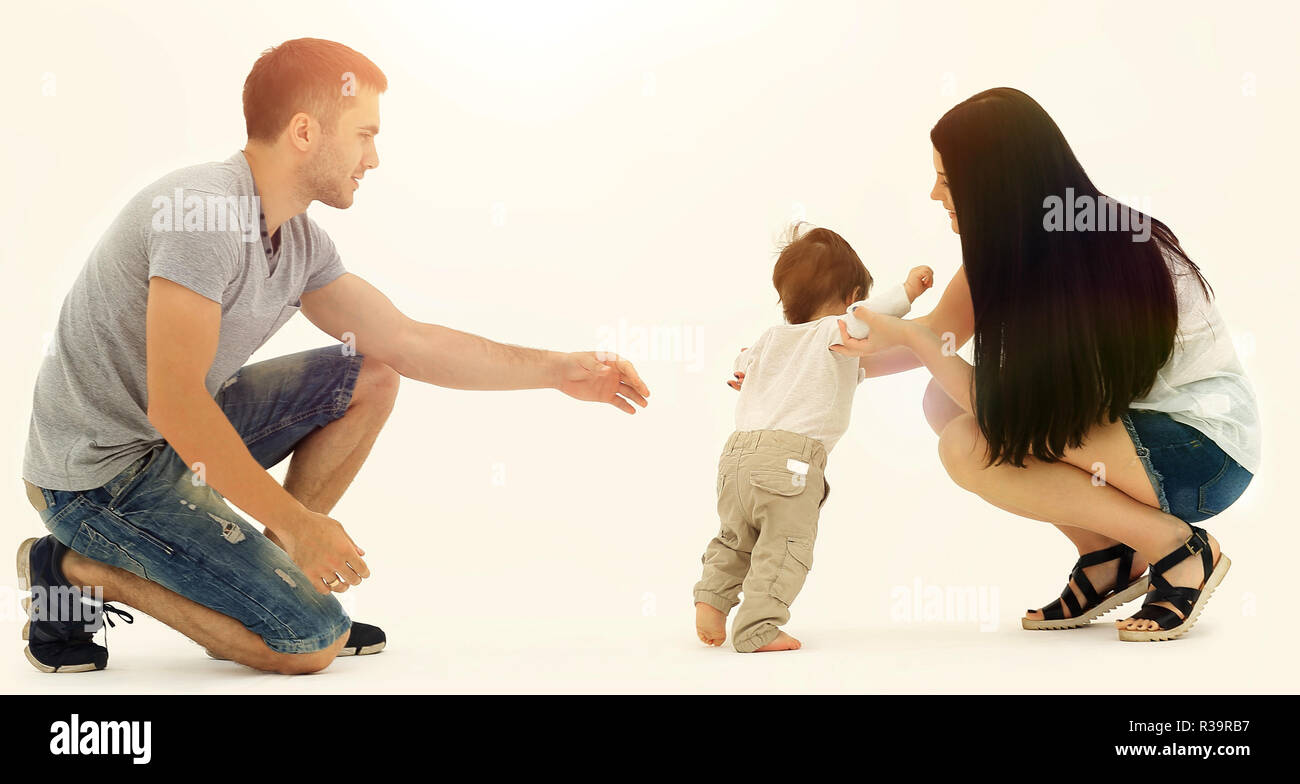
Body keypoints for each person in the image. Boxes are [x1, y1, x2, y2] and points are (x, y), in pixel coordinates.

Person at [18, 38, 650, 674]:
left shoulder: (299, 243)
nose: (373, 158)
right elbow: (177, 403)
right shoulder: (204, 214)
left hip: (171, 441)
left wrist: (559, 370)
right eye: (364, 135)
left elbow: (409, 342)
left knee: (370, 376)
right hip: (96, 477)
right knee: (309, 645)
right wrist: (297, 520)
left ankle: (280, 581)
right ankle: (71, 566)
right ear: (304, 131)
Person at [825, 88, 1259, 642]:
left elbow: (1021, 413)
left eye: (949, 180)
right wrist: (812, 366)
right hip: (1125, 444)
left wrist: (924, 344)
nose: (935, 193)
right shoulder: (1008, 249)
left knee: (967, 437)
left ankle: (1178, 549)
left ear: (995, 183)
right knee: (944, 400)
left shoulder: (1103, 253)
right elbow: (934, 336)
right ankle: (1108, 556)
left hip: (1201, 456)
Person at [695, 223, 932, 652]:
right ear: (852, 297)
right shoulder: (837, 330)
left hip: (735, 458)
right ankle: (756, 628)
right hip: (789, 463)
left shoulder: (770, 338)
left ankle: (711, 601)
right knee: (783, 546)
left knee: (736, 536)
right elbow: (872, 319)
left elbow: (741, 364)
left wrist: (749, 377)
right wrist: (910, 291)